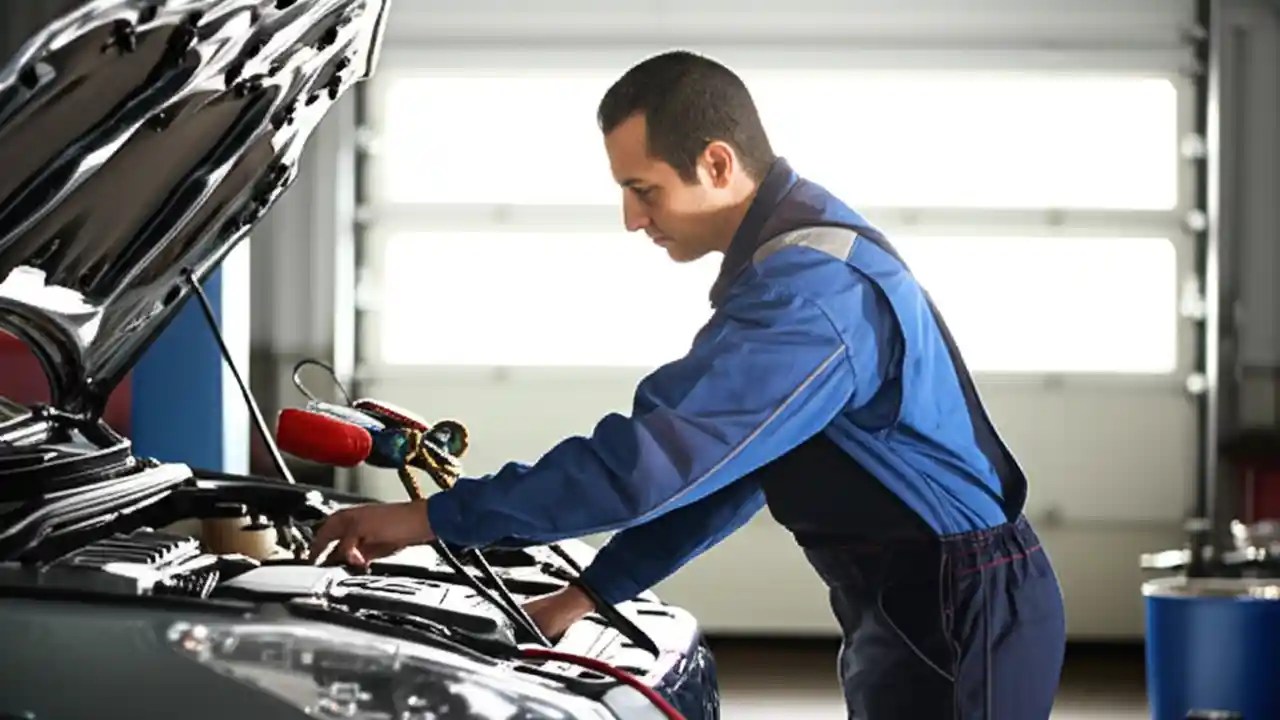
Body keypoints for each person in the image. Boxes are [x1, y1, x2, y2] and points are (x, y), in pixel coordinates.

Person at [311, 49, 1067, 718]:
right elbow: (726, 476)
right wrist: (588, 595)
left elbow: (650, 463)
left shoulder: (810, 296)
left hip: (960, 606)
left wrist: (431, 520)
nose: (632, 220)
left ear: (715, 164)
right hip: (916, 603)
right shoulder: (786, 263)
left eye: (643, 190)